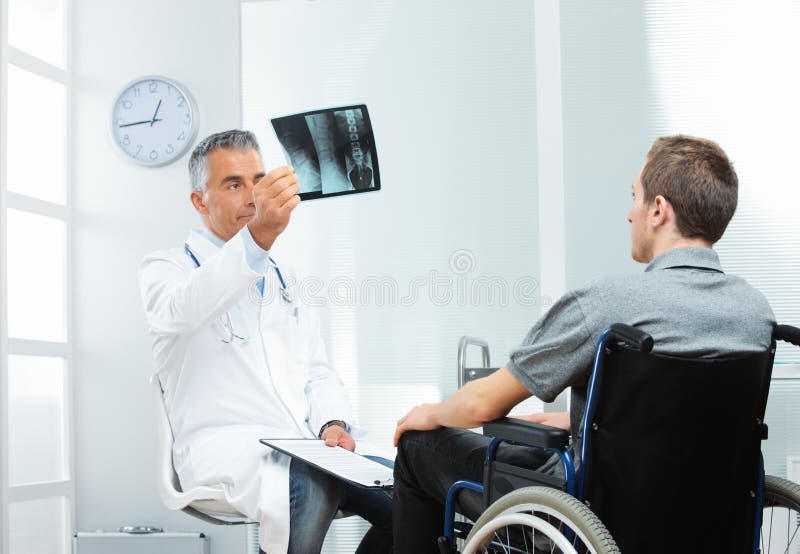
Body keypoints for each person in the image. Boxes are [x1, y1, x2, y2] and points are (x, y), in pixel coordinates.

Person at [390, 135, 776, 553]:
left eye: (636, 197)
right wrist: (587, 420)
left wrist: (431, 413)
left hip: (589, 514)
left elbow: (483, 404)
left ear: (659, 210)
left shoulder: (609, 305)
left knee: (417, 448)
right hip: (707, 516)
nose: (630, 214)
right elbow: (685, 421)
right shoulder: (755, 314)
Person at [138, 130, 392, 554]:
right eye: (233, 184)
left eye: (257, 180)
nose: (251, 195)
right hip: (226, 449)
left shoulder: (283, 277)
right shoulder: (165, 269)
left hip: (305, 444)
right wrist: (256, 240)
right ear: (200, 202)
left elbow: (317, 369)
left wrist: (333, 423)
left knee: (416, 494)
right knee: (310, 479)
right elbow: (182, 308)